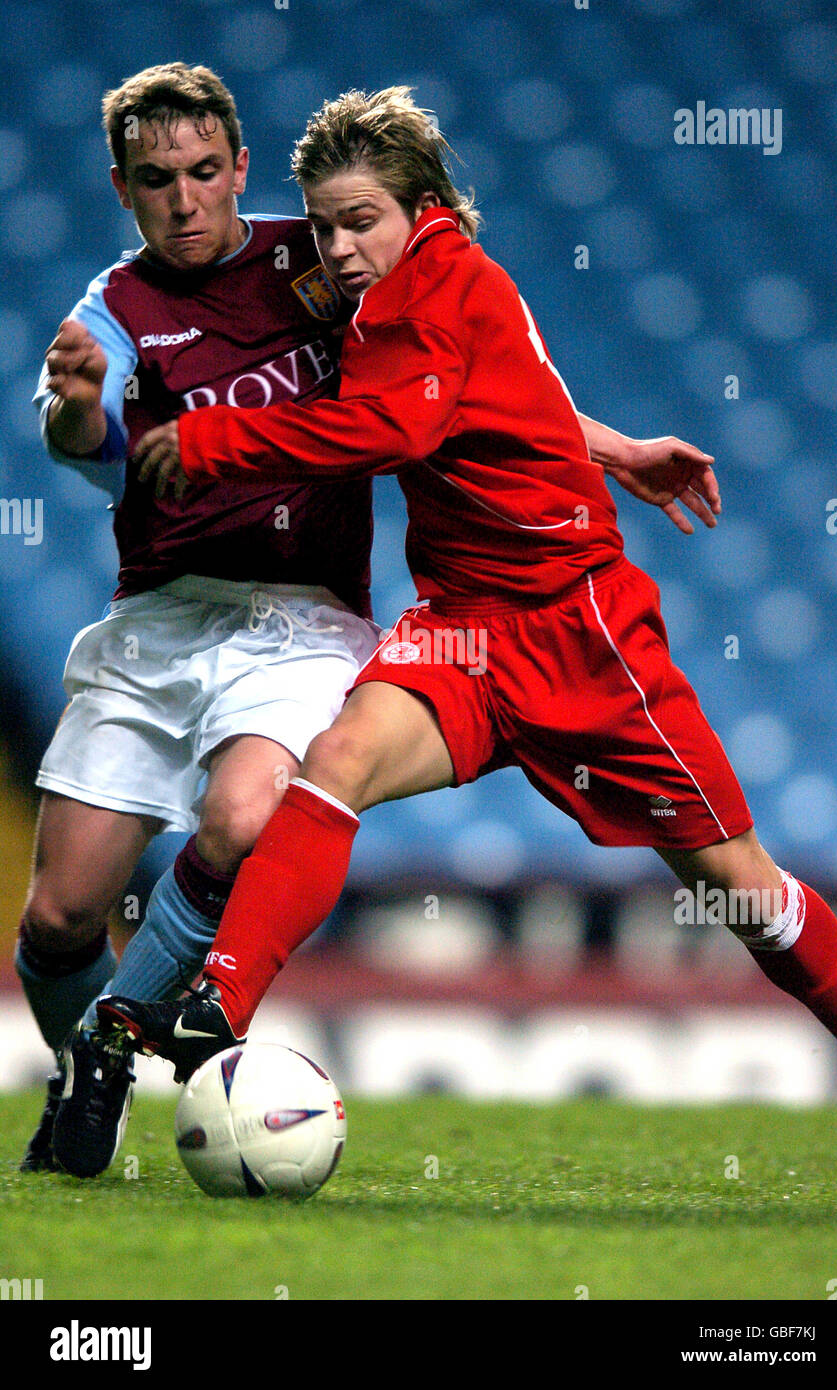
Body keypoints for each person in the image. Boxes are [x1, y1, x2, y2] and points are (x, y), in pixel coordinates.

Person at [104, 87, 837, 1092]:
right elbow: (503, 395)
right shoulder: (399, 295)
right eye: (324, 224)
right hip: (462, 632)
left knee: (742, 892)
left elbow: (391, 431)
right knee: (340, 757)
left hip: (580, 633)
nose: (334, 247)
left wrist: (208, 440)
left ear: (421, 208)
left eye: (358, 221)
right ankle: (218, 1006)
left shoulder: (438, 282)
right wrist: (618, 445)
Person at [19, 63, 383, 1177]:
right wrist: (81, 413)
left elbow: (466, 368)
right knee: (57, 918)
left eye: (201, 173)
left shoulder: (313, 265)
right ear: (122, 188)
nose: (183, 200)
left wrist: (601, 448)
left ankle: (104, 1059)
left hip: (298, 620)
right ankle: (93, 1061)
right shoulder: (113, 307)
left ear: (236, 167)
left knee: (237, 819)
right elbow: (81, 437)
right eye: (154, 180)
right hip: (159, 623)